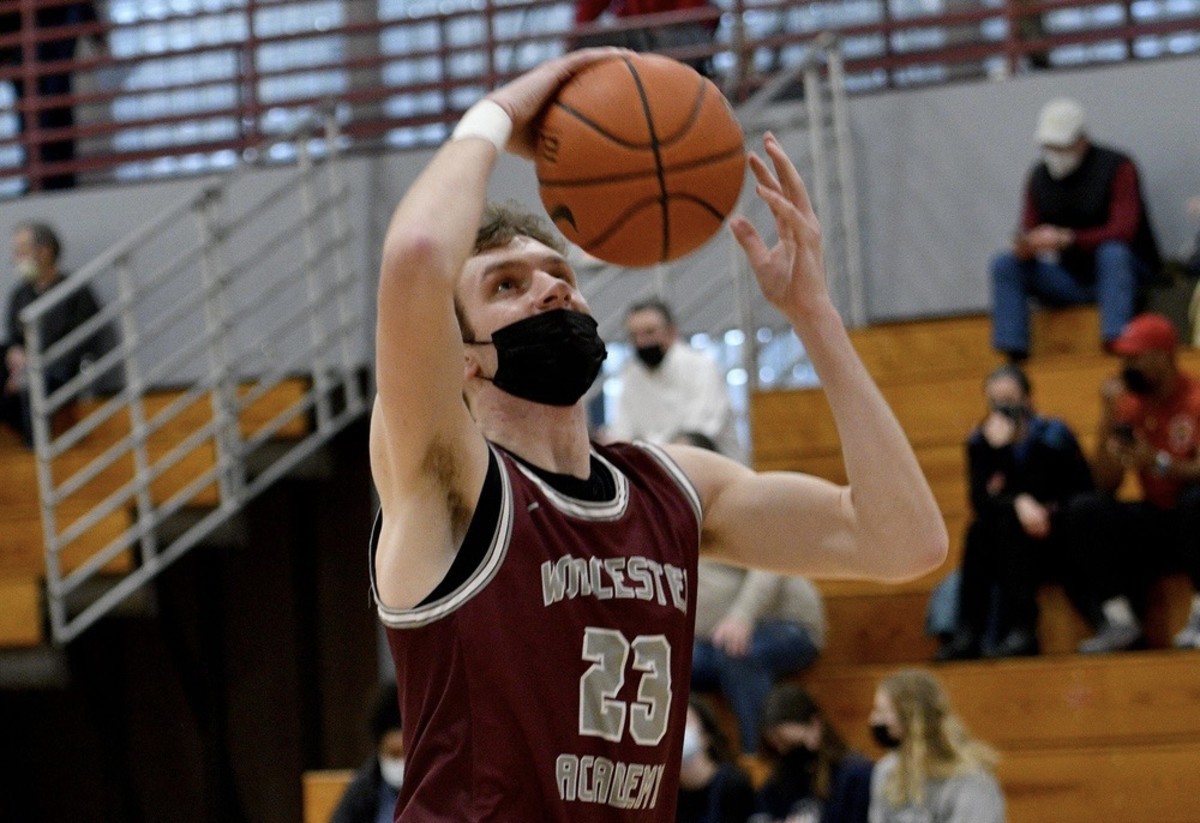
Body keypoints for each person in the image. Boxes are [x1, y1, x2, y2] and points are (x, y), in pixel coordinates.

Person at [367, 47, 946, 820]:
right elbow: (413, 256)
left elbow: (903, 539)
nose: (548, 287)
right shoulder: (449, 482)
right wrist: (501, 112)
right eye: (506, 284)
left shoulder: (669, 485)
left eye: (558, 273)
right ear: (463, 357)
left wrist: (816, 318)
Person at [935, 364, 1093, 661]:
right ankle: (968, 633)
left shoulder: (1053, 436)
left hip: (1056, 529)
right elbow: (981, 500)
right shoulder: (981, 441)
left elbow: (1078, 488)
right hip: (1006, 537)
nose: (1003, 409)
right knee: (980, 530)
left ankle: (1023, 629)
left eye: (1010, 400)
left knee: (1008, 528)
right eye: (995, 402)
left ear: (1028, 400)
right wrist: (1008, 478)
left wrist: (1033, 506)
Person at [989, 97, 1161, 360]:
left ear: (1082, 140)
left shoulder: (1117, 166)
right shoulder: (1038, 177)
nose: (1055, 154)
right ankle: (1014, 353)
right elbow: (1028, 228)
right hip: (1071, 278)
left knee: (1112, 253)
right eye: (1049, 147)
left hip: (1126, 274)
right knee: (1005, 263)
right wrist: (1027, 245)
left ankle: (1116, 339)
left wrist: (1067, 239)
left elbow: (1123, 231)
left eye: (1062, 146)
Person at [1069, 313, 1200, 653]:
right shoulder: (1128, 405)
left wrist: (1157, 463)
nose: (1126, 367)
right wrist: (1108, 417)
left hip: (1192, 516)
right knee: (1086, 510)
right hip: (1158, 521)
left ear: (1164, 356)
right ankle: (1118, 619)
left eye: (1134, 358)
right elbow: (1104, 484)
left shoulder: (1196, 399)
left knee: (1196, 501)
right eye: (1123, 359)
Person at [2, 221, 102, 445]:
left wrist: (34, 366)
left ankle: (37, 449)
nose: (16, 258)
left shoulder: (75, 291)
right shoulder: (20, 294)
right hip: (24, 372)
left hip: (59, 371)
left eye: (22, 251)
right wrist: (14, 354)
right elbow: (13, 337)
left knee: (34, 382)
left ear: (45, 251)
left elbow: (84, 341)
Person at [867, 669, 1005, 823]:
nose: (874, 720)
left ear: (910, 717)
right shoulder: (886, 771)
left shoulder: (971, 779)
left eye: (881, 712)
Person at [609, 301, 742, 459]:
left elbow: (697, 435)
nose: (641, 342)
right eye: (634, 335)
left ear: (671, 332)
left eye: (649, 332)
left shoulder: (700, 367)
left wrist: (644, 446)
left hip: (711, 467)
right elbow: (622, 433)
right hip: (655, 467)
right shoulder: (631, 374)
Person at [0, 2, 101, 191]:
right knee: (32, 113)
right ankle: (41, 178)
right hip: (22, 39)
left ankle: (57, 180)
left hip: (55, 30)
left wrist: (97, 36)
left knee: (55, 109)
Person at [755, 683, 873, 823]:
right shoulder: (780, 780)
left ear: (814, 725)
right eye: (775, 747)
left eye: (788, 742)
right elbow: (761, 813)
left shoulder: (854, 774)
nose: (782, 751)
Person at [572, 0, 717, 77]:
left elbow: (690, 13)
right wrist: (577, 34)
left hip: (679, 32)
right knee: (587, 44)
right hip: (640, 32)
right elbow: (588, 13)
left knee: (668, 45)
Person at [330, 681, 406, 823]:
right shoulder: (365, 788)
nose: (401, 762)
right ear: (379, 750)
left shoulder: (434, 786)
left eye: (406, 754)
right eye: (394, 754)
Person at [676, 696, 757, 823]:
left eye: (684, 722)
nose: (676, 730)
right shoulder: (666, 794)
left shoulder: (733, 783)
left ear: (706, 735)